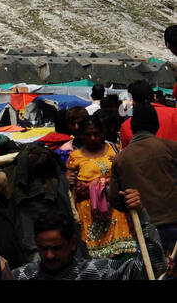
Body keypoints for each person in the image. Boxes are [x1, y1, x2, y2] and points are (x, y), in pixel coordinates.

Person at [13, 207, 163, 280]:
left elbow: (153, 267)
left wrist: (140, 214)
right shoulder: (22, 276)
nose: (49, 255)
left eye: (57, 248)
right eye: (43, 248)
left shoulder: (101, 272)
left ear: (72, 243)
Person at [109, 102, 177, 254]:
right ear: (156, 125)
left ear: (132, 127)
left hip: (143, 226)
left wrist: (132, 206)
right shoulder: (171, 148)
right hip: (173, 220)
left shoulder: (120, 158)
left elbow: (114, 198)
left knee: (153, 270)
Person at [65, 113, 135, 258]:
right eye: (88, 134)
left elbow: (126, 176)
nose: (92, 138)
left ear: (102, 132)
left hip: (116, 212)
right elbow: (71, 187)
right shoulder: (75, 157)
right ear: (82, 135)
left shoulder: (115, 150)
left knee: (123, 258)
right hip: (89, 215)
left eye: (96, 134)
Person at [119, 80, 177, 147]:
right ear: (154, 96)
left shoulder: (126, 126)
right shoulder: (174, 113)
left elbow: (128, 155)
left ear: (133, 101)